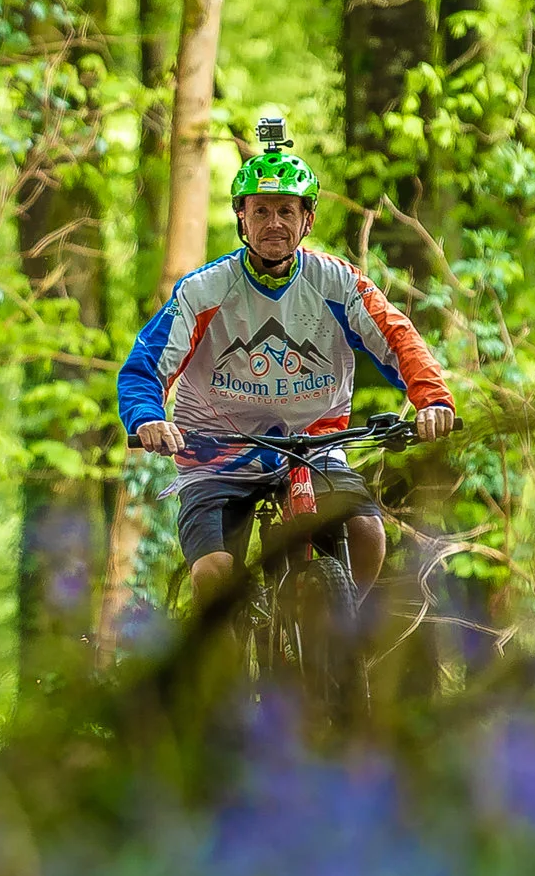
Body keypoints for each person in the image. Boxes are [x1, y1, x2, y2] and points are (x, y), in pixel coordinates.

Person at [116, 137, 455, 613]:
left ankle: (340, 633)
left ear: (307, 220)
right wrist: (148, 418)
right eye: (260, 211)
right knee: (214, 574)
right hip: (217, 456)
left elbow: (398, 339)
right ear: (242, 218)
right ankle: (226, 658)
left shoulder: (340, 283)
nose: (273, 223)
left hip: (312, 447)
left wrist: (432, 400)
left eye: (286, 211)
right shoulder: (203, 291)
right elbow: (146, 366)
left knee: (366, 531)